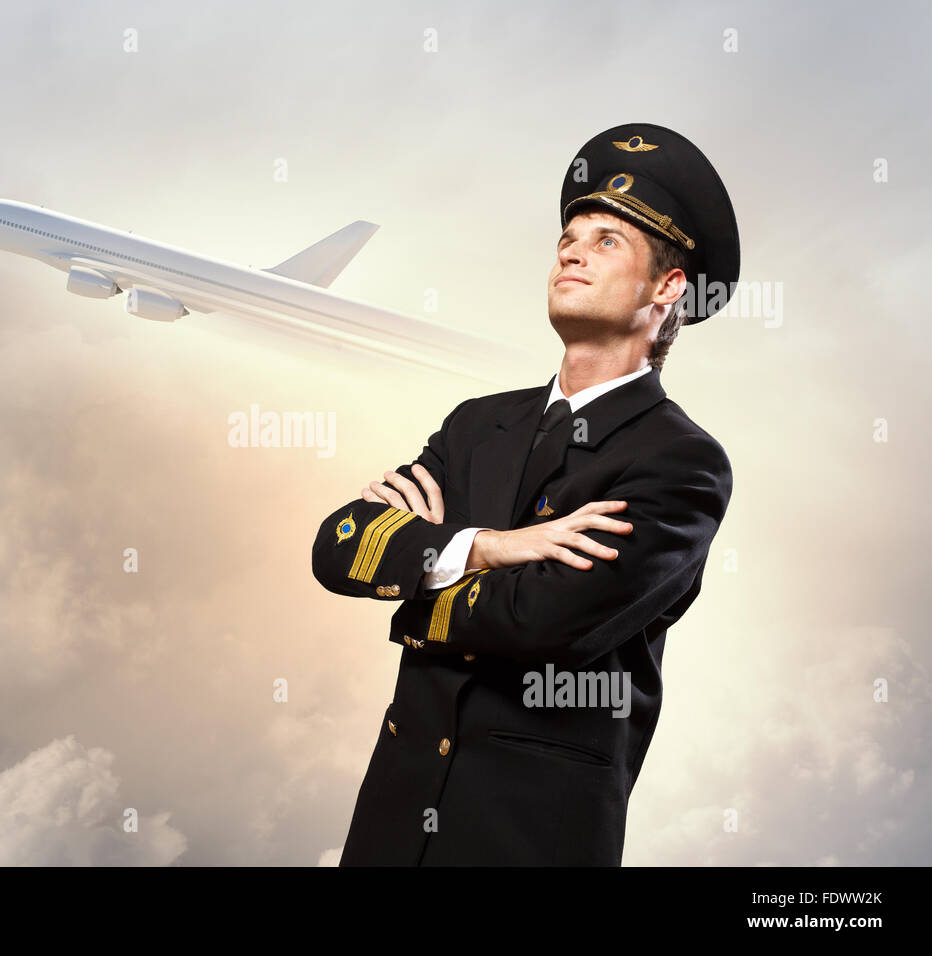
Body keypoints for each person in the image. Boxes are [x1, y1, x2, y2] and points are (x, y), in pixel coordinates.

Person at [311, 123, 738, 865]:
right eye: (570, 237)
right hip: (389, 829)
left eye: (608, 241)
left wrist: (419, 569)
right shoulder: (480, 423)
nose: (572, 250)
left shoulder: (682, 463)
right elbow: (337, 545)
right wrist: (491, 548)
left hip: (526, 839)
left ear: (668, 288)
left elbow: (546, 624)